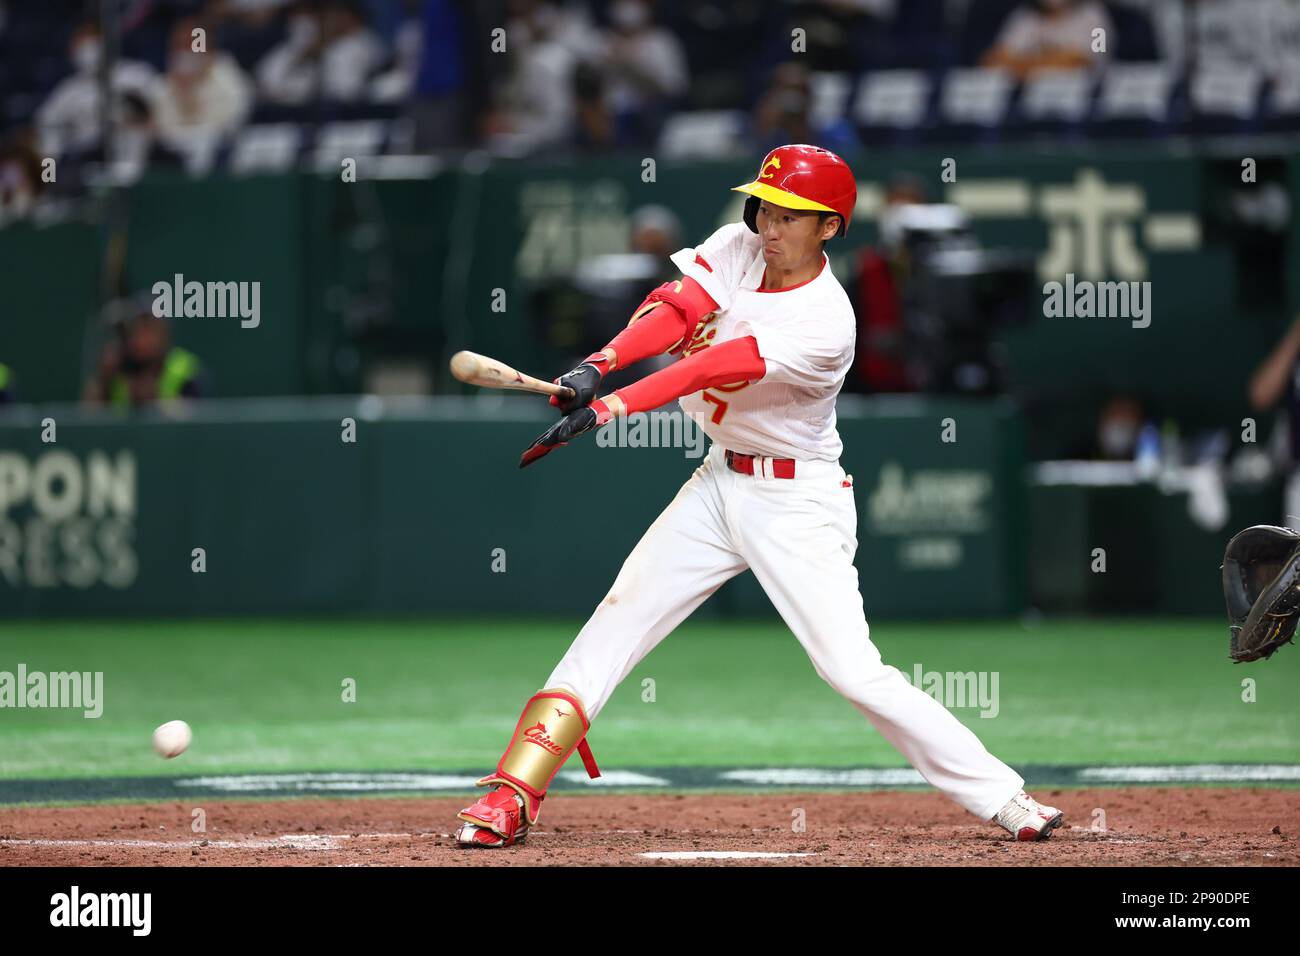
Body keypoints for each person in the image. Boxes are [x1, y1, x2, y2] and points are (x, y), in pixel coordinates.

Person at [454, 144, 1065, 848]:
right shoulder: (740, 247)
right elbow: (676, 310)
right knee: (615, 621)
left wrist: (610, 410)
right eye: (766, 208)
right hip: (719, 481)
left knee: (853, 672)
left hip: (796, 499)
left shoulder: (827, 321)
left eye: (790, 216)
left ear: (830, 227)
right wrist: (600, 364)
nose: (769, 226)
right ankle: (512, 791)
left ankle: (1004, 797)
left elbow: (713, 365)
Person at [35, 18, 157, 159]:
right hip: (85, 156)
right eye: (81, 46)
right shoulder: (68, 89)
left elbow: (156, 113)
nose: (87, 51)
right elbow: (46, 122)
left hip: (131, 152)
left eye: (92, 42)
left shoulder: (137, 74)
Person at [980, 0, 1113, 80]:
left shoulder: (1095, 15)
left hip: (1085, 109)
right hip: (1030, 106)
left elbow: (1080, 63)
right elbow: (993, 61)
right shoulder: (1024, 16)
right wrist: (1050, 63)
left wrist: (1021, 68)